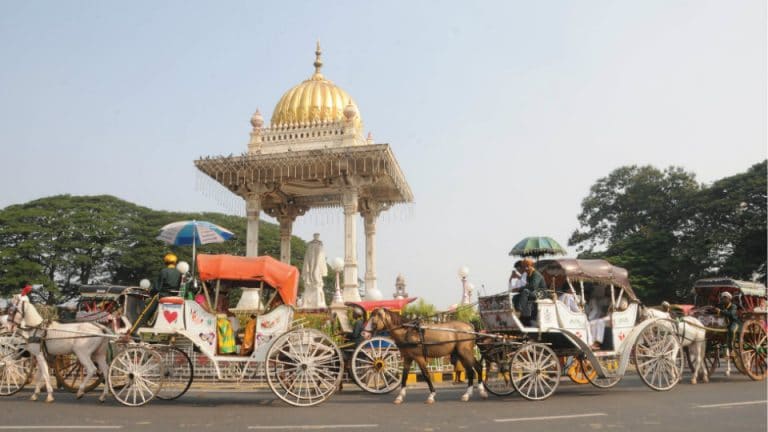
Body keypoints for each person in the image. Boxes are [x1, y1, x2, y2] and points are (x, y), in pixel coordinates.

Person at [515, 259, 547, 326]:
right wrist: (518, 290)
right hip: (533, 292)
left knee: (525, 291)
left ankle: (519, 311)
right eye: (524, 267)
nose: (525, 269)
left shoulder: (536, 274)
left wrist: (520, 289)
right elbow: (528, 286)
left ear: (530, 266)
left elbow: (532, 286)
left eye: (526, 266)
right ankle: (518, 312)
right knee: (517, 295)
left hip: (541, 293)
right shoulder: (528, 275)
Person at [302, 233, 328, 309]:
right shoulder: (310, 245)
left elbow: (321, 257)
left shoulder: (320, 245)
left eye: (317, 236)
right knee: (311, 275)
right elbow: (307, 257)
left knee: (316, 274)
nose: (316, 237)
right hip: (310, 262)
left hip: (317, 264)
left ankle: (316, 282)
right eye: (315, 236)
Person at [587, 285, 611, 349]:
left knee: (600, 322)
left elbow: (623, 306)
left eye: (608, 290)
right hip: (607, 316)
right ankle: (592, 342)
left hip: (613, 317)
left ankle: (598, 342)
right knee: (593, 322)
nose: (606, 291)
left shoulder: (616, 299)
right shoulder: (604, 299)